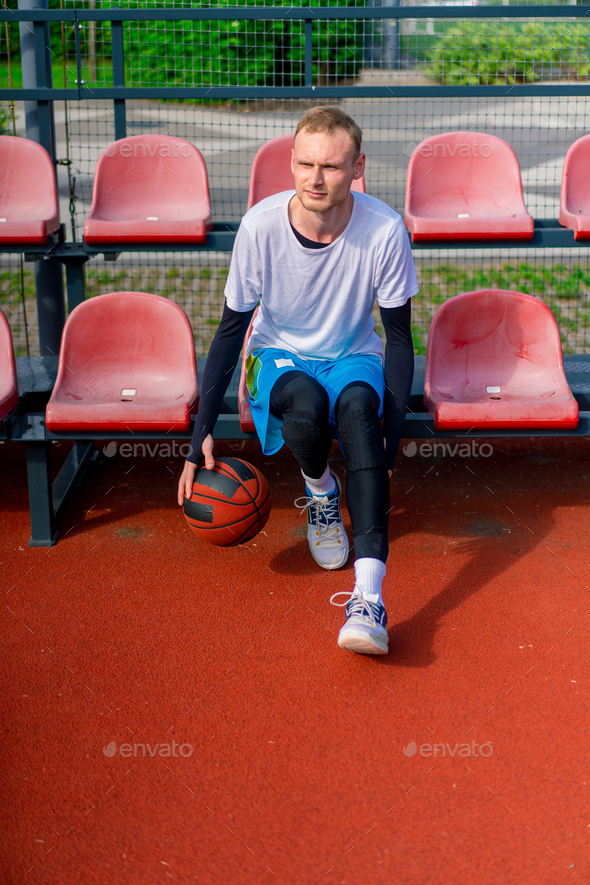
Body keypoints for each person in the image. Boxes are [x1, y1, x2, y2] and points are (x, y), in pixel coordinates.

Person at [177, 106, 418, 655]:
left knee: (359, 411)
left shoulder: (383, 229)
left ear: (357, 167)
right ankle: (321, 490)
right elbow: (230, 330)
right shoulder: (260, 227)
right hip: (275, 354)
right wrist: (198, 438)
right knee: (305, 406)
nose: (315, 178)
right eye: (305, 163)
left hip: (351, 352)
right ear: (291, 163)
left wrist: (392, 440)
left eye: (331, 166)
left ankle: (368, 597)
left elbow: (399, 338)